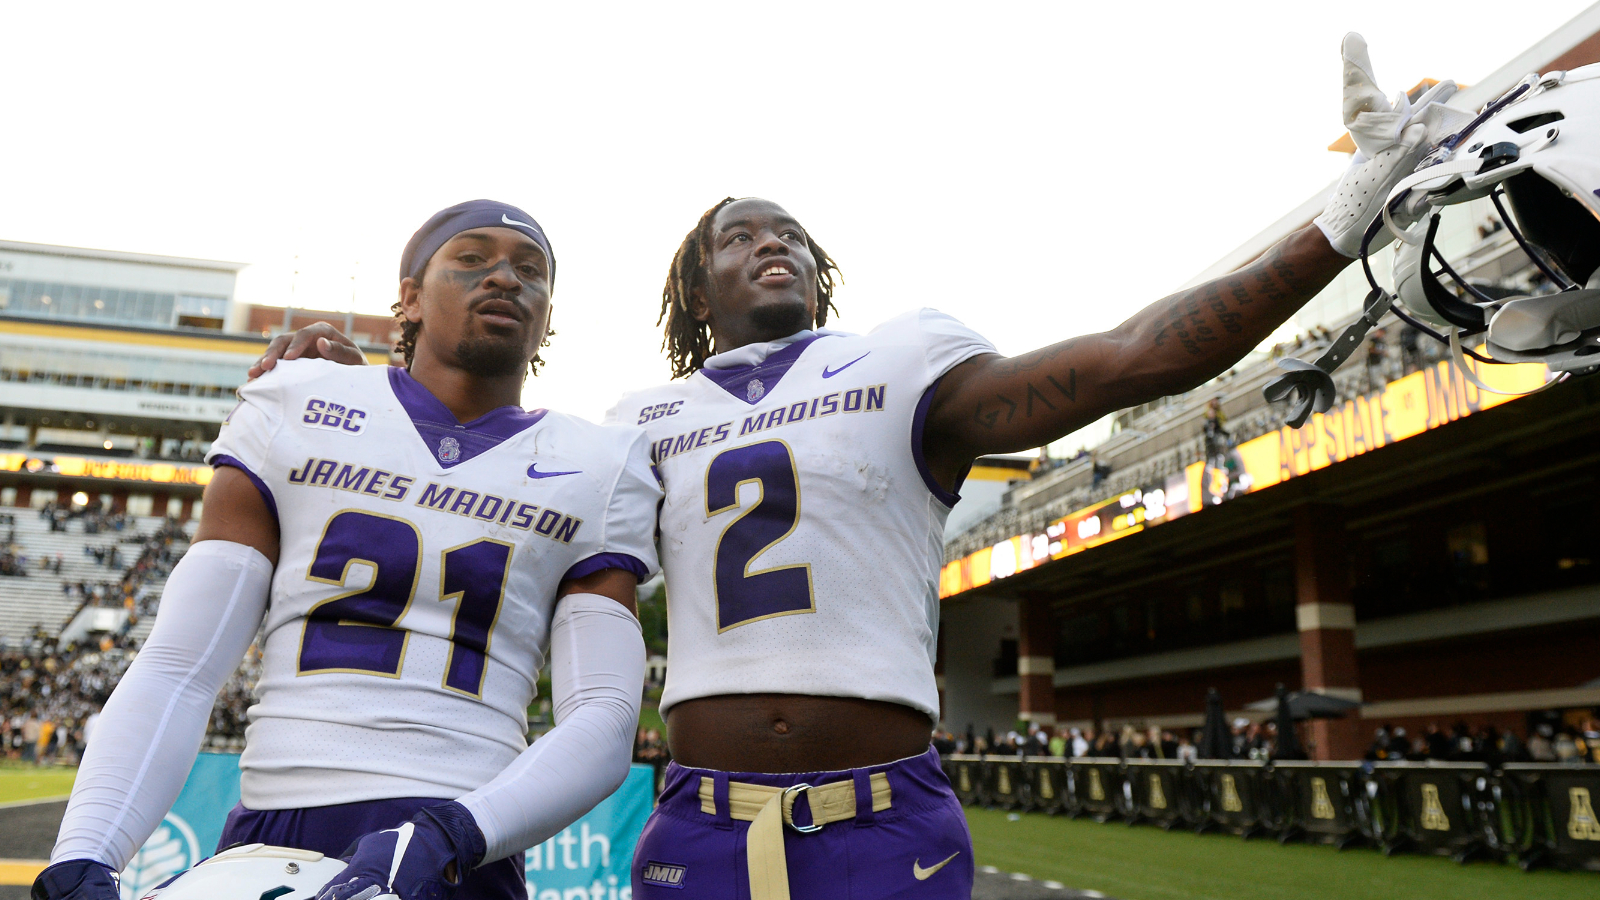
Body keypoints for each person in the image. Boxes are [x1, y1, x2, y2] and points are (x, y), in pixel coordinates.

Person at [259, 34, 1450, 900]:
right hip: (699, 827)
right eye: (740, 235)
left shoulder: (901, 363)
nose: (770, 242)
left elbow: (1132, 359)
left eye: (789, 234)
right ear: (695, 287)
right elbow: (480, 474)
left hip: (885, 820)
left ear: (820, 271)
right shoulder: (635, 420)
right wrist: (353, 377)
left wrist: (1348, 209)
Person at [33, 201, 662, 900]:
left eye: (530, 269)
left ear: (548, 317)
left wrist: (453, 834)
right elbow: (181, 664)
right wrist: (86, 852)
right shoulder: (299, 405)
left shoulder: (600, 463)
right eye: (472, 258)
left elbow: (605, 716)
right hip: (275, 832)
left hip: (464, 837)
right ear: (409, 297)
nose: (505, 278)